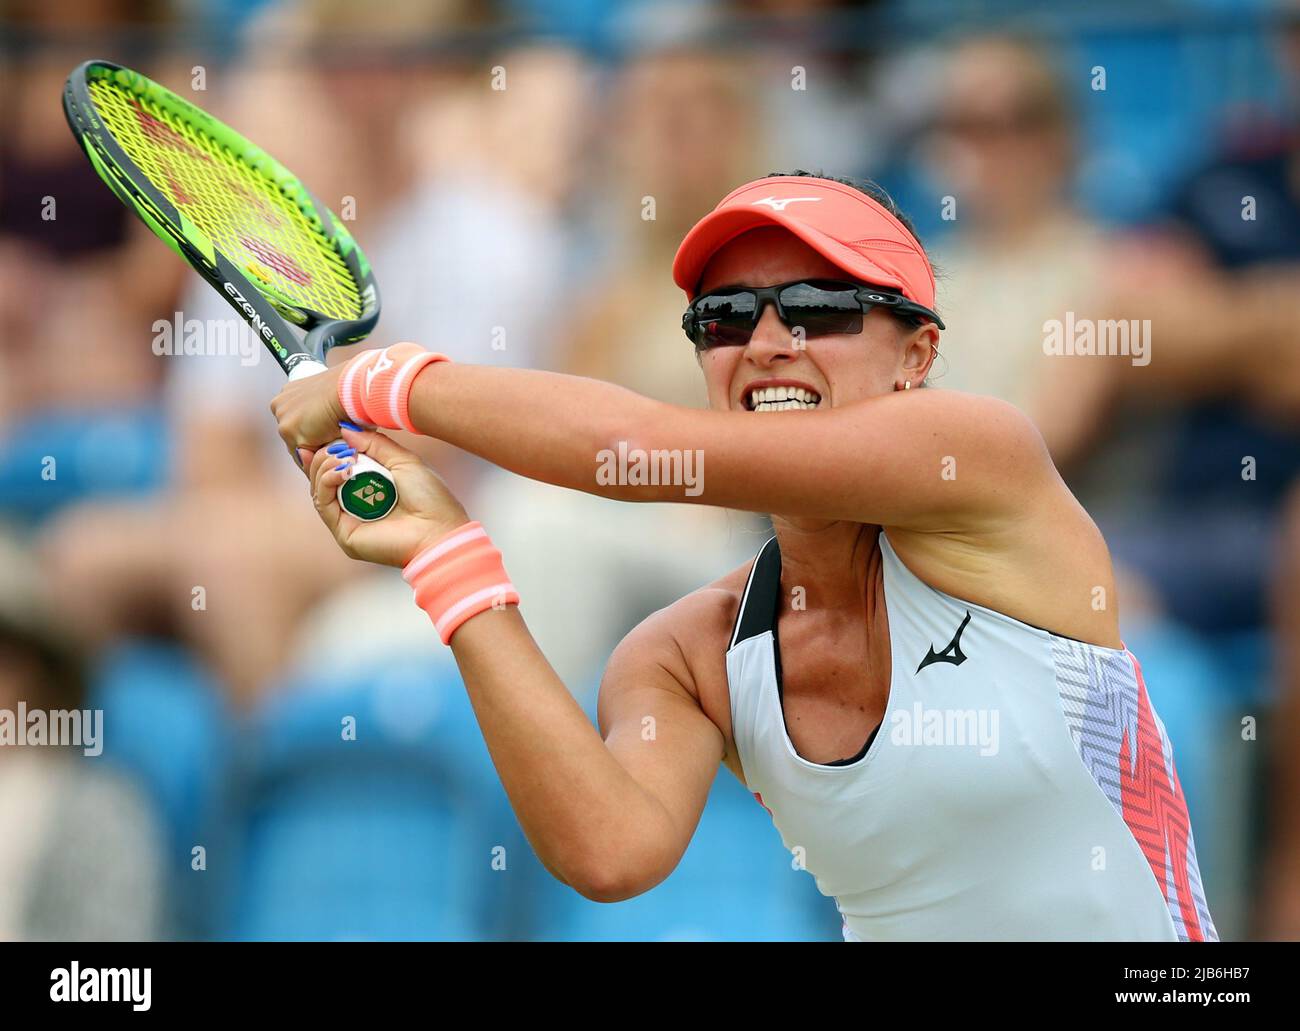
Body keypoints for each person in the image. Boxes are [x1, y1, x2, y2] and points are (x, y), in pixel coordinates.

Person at [272, 171, 1217, 941]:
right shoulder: (685, 657)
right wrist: (450, 559)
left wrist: (382, 378)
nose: (767, 342)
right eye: (724, 316)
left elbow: (631, 451)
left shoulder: (981, 457)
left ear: (917, 355)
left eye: (816, 305)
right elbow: (611, 853)